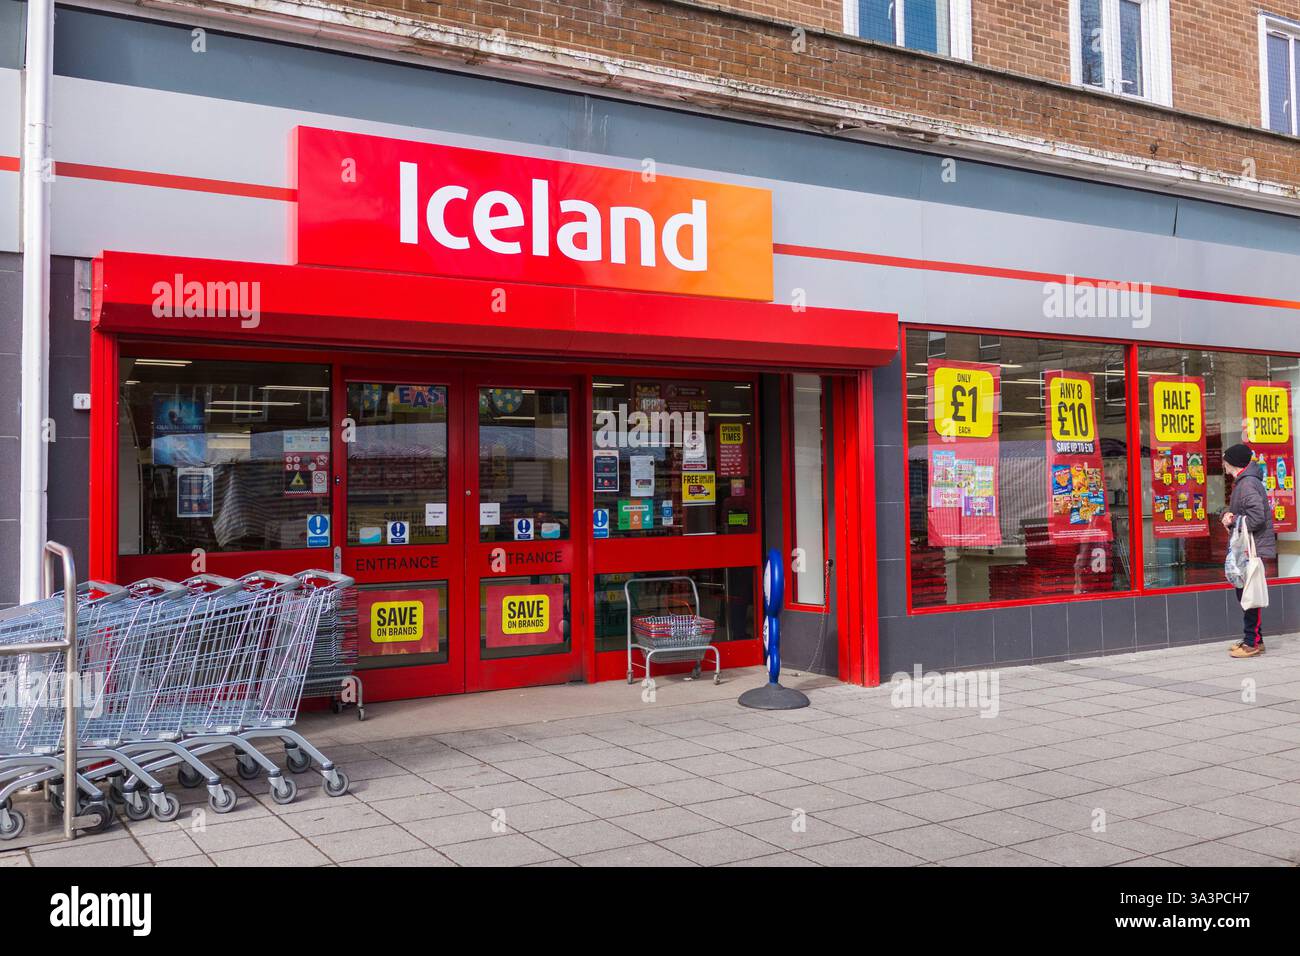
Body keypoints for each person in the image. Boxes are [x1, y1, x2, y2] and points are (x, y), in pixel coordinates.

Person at [1220, 443, 1276, 658]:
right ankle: (1254, 638)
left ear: (1233, 463)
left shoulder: (1248, 484)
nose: (1223, 465)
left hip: (1249, 548)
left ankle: (1251, 642)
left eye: (1225, 461)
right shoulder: (1244, 482)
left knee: (1247, 592)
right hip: (1246, 546)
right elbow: (1237, 511)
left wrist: (1233, 522)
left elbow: (1256, 518)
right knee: (1243, 590)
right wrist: (1227, 515)